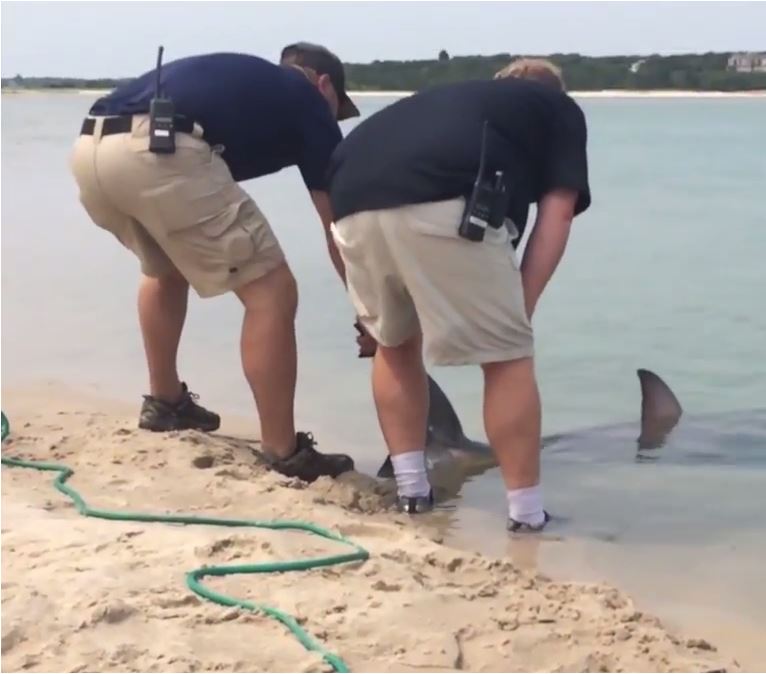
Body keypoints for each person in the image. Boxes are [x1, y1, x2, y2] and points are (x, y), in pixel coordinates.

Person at [69, 44, 360, 482]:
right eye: (337, 108)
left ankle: (165, 403)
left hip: (92, 148)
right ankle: (284, 451)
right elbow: (338, 227)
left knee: (164, 269)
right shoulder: (307, 100)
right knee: (272, 291)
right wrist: (369, 311)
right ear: (325, 85)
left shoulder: (251, 86)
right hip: (162, 148)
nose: (332, 119)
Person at [326, 58, 591, 531]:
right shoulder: (559, 108)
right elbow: (559, 214)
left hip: (349, 196)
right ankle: (527, 516)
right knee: (508, 356)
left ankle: (412, 493)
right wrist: (521, 308)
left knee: (394, 342)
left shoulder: (454, 101)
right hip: (441, 194)